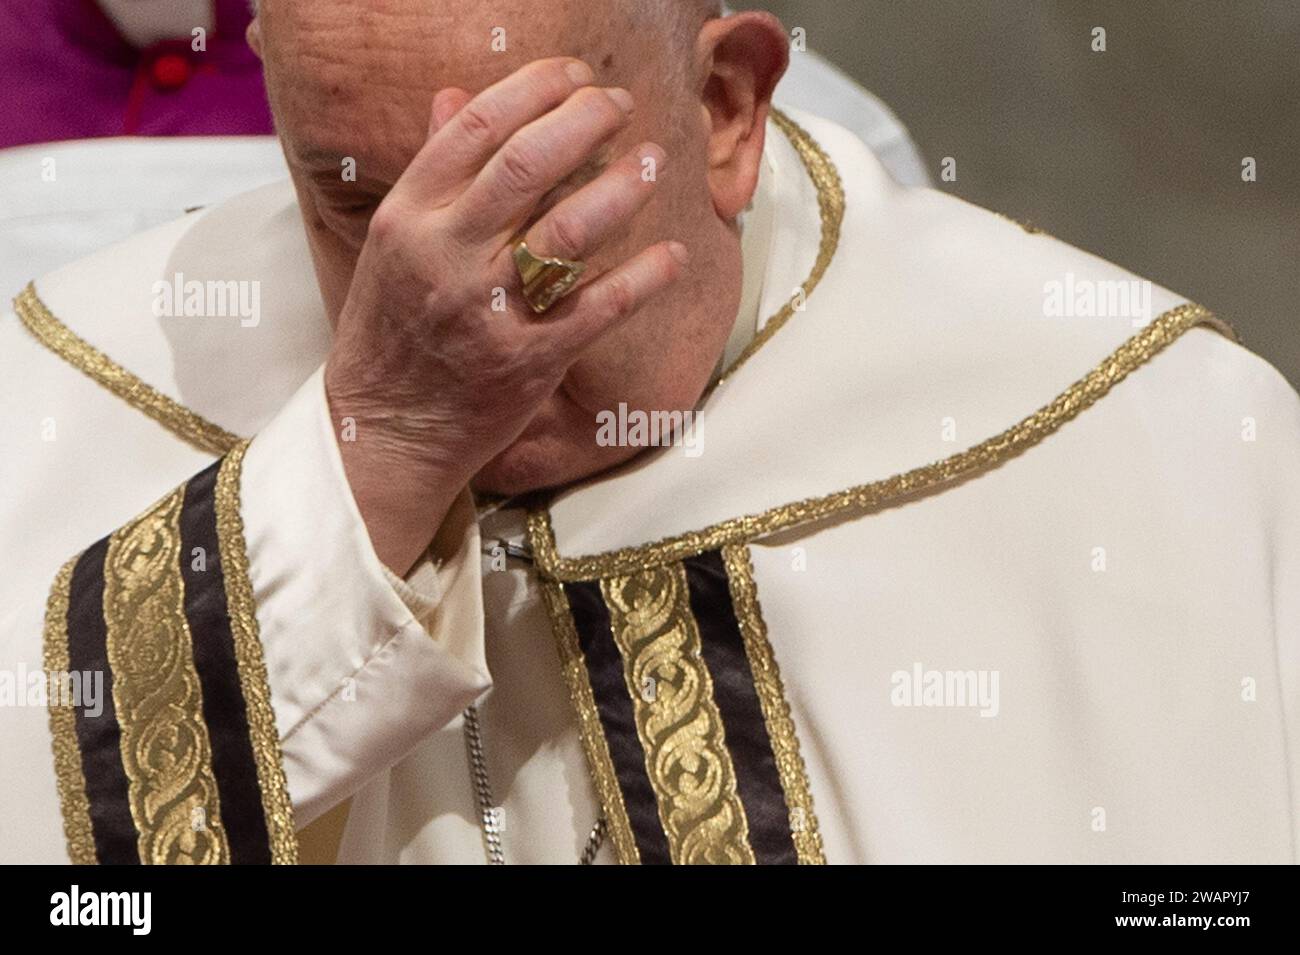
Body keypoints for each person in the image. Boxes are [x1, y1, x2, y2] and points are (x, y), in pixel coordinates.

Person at [1, 0, 1296, 865]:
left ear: (728, 107)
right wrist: (374, 448)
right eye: (354, 212)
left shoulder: (1155, 440)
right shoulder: (53, 404)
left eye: (540, 210)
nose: (452, 310)